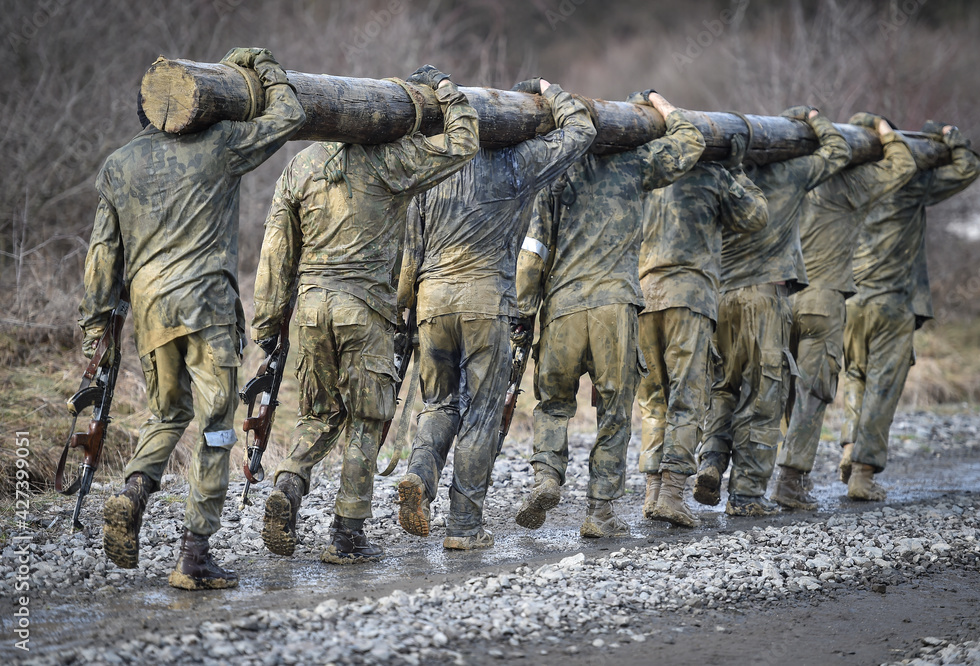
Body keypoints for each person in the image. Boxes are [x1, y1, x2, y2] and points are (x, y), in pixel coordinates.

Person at [80, 48, 305, 590]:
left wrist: (96, 328)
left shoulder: (118, 165)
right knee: (218, 428)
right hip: (206, 309)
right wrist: (259, 63)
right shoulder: (220, 144)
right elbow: (290, 115)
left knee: (166, 414)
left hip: (152, 311)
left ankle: (131, 492)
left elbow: (101, 256)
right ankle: (194, 557)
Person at [252, 65, 478, 563]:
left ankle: (286, 490)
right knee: (365, 419)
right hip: (363, 311)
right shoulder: (389, 160)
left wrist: (267, 323)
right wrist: (447, 90)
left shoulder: (300, 167)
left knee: (316, 414)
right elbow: (464, 144)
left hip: (310, 309)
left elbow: (275, 252)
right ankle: (347, 536)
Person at [394, 78, 596, 550]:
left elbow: (410, 256)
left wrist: (404, 305)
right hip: (486, 303)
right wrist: (548, 90)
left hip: (432, 302)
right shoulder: (519, 162)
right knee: (483, 414)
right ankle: (464, 527)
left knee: (439, 405)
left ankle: (420, 478)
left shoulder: (435, 160)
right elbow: (580, 131)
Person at [515, 89, 705, 538]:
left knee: (553, 405)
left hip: (562, 309)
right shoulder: (635, 165)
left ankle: (547, 479)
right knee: (615, 412)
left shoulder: (556, 175)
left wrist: (524, 313)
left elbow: (533, 253)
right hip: (614, 309)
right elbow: (691, 140)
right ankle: (600, 514)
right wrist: (659, 101)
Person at [696, 106, 850, 516]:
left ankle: (711, 462)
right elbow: (838, 149)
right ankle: (746, 497)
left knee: (722, 389)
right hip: (764, 300)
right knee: (763, 397)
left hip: (720, 298)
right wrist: (806, 115)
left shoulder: (724, 176)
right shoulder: (792, 174)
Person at [772, 113, 916, 510]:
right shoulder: (852, 186)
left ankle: (767, 477)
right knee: (812, 394)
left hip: (782, 301)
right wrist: (881, 129)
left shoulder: (794, 178)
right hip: (823, 301)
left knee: (782, 392)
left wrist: (802, 119)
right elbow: (903, 165)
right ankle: (790, 482)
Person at [839, 122, 980, 500]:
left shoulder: (847, 184)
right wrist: (953, 135)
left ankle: (850, 447)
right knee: (882, 387)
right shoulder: (907, 184)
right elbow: (968, 168)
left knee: (854, 375)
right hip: (893, 303)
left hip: (850, 302)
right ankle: (863, 475)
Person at [636, 135, 768, 527]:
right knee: (686, 397)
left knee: (653, 400)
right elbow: (756, 216)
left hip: (644, 295)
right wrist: (736, 168)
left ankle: (652, 494)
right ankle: (673, 495)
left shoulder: (644, 173)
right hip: (688, 297)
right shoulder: (711, 174)